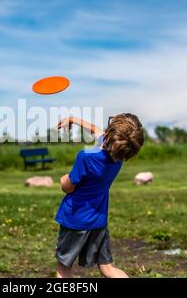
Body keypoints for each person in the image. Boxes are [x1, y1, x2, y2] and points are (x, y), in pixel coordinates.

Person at [55, 114, 145, 278]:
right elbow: (96, 131)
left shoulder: (86, 157)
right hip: (98, 221)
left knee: (63, 268)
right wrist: (74, 119)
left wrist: (63, 179)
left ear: (111, 134)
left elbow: (68, 188)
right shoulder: (118, 157)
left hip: (75, 220)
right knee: (107, 269)